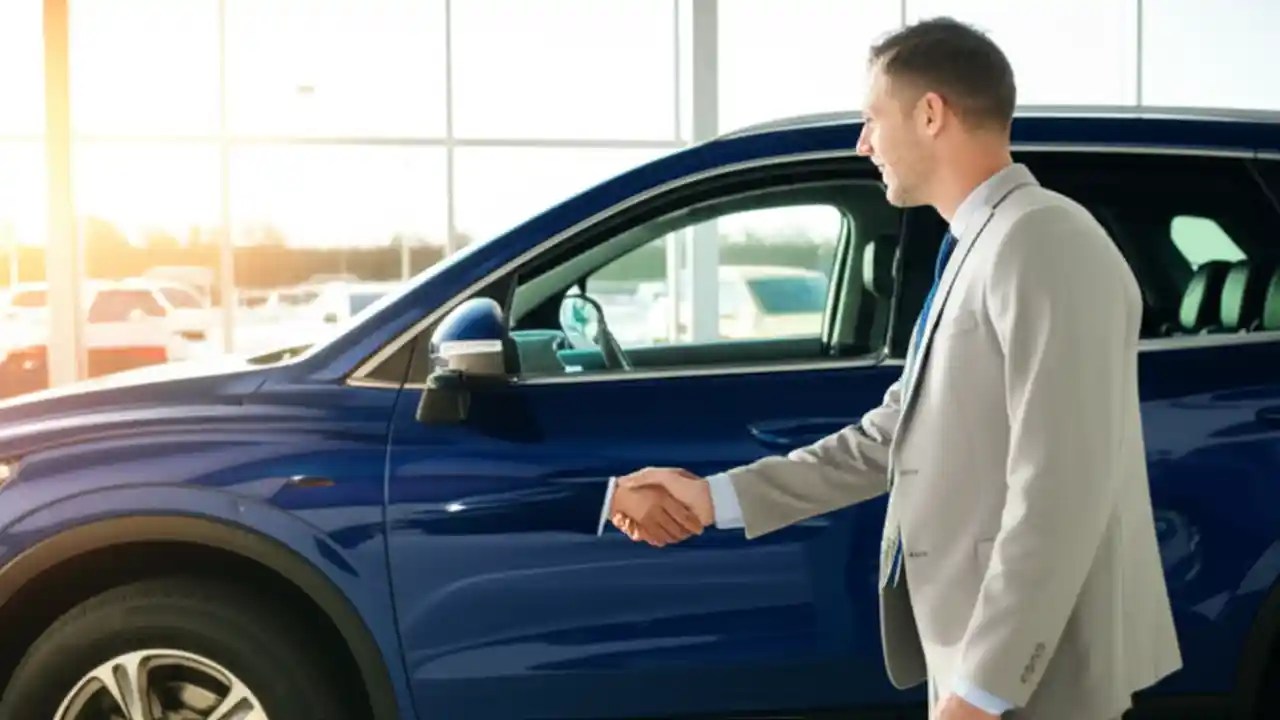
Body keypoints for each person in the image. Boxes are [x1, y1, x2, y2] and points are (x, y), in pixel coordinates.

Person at [600, 16, 1182, 720]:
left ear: (930, 113)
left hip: (1031, 676)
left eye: (873, 118)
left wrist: (986, 688)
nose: (863, 142)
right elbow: (892, 435)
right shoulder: (981, 245)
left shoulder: (1042, 242)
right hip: (979, 658)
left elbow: (1059, 488)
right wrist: (715, 497)